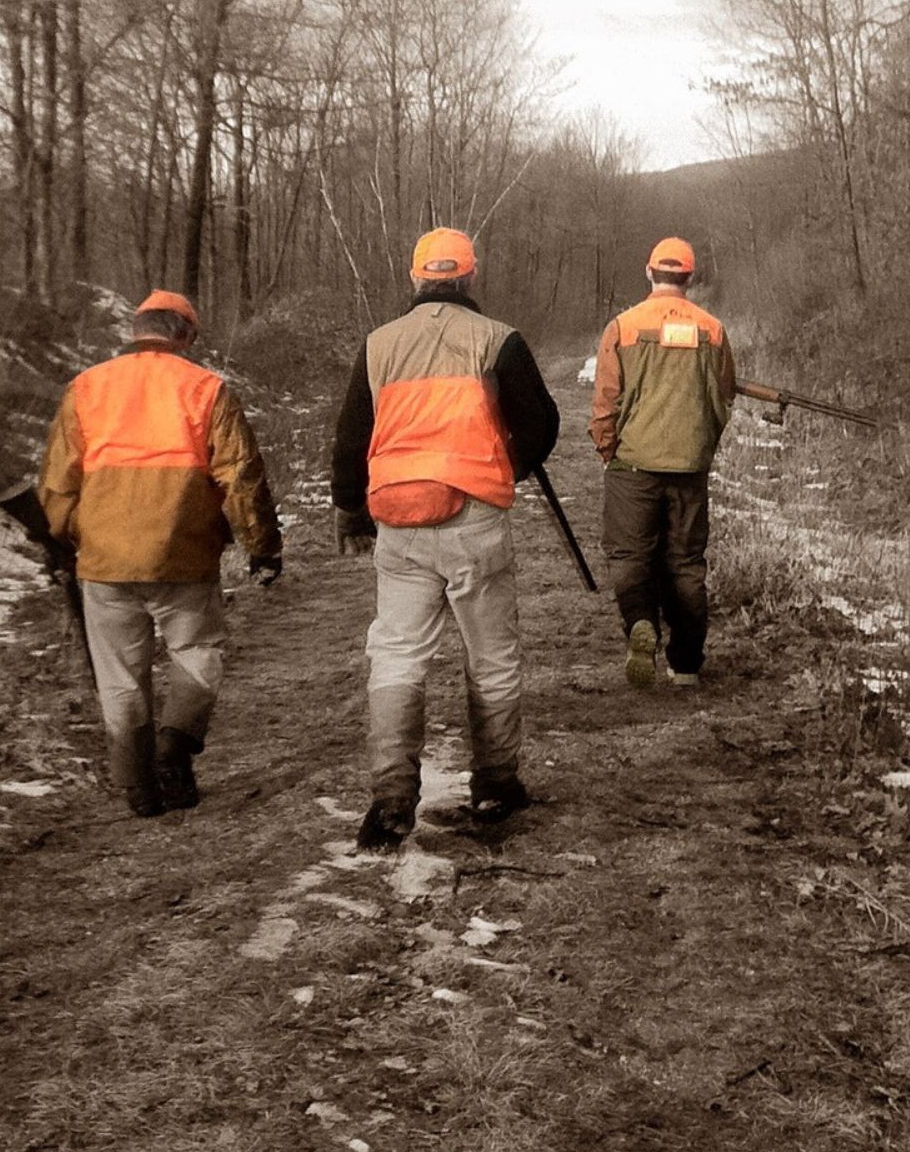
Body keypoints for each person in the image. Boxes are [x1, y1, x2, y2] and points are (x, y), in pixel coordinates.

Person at [331, 227, 559, 851]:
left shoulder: (379, 344)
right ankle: (493, 783)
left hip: (398, 520)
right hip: (473, 519)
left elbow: (351, 437)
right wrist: (500, 469)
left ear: (415, 278)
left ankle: (390, 798)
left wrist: (350, 509)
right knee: (491, 655)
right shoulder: (496, 339)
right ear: (468, 277)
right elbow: (542, 424)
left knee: (398, 654)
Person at [39, 289, 282, 817]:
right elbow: (240, 475)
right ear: (185, 335)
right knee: (198, 652)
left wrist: (66, 537)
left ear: (136, 330)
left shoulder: (86, 388)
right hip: (183, 555)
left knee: (121, 677)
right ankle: (175, 744)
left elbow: (58, 482)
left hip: (104, 560)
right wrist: (262, 547)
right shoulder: (206, 389)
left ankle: (137, 788)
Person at [588, 237, 737, 691]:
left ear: (649, 272)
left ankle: (639, 622)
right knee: (686, 564)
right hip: (689, 467)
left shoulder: (623, 326)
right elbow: (723, 398)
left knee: (631, 556)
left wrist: (608, 448)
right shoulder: (713, 330)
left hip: (633, 465)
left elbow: (605, 402)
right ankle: (687, 664)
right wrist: (701, 449)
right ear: (689, 278)